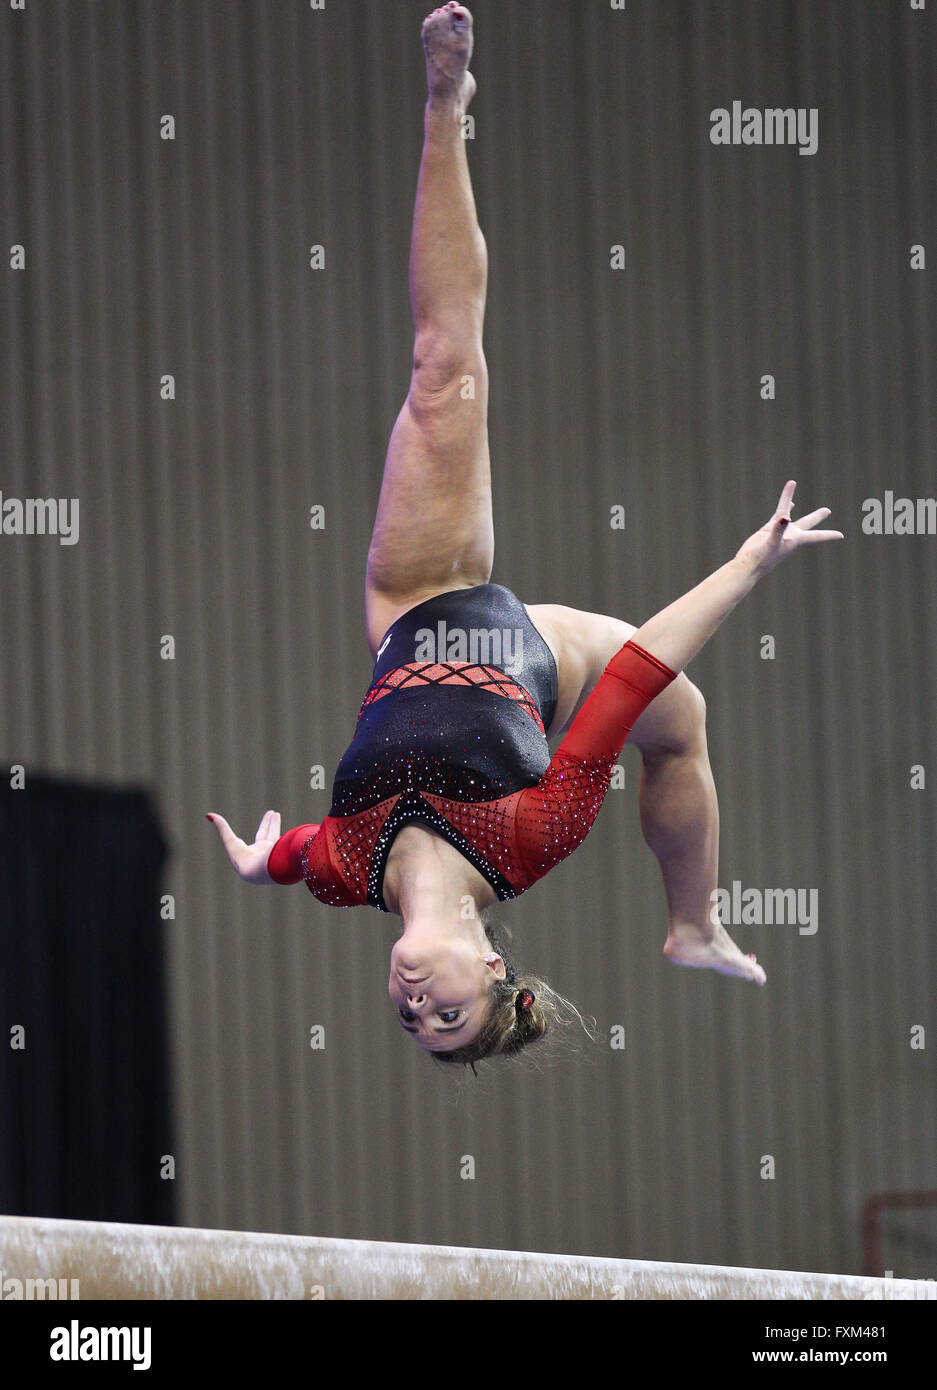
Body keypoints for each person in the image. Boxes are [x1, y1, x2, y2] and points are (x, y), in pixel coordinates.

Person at [207, 5, 842, 1069]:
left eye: (411, 1023)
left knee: (442, 368)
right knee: (677, 716)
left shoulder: (346, 871)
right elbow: (633, 674)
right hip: (544, 653)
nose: (418, 1005)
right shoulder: (527, 841)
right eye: (449, 1013)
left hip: (412, 605)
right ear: (493, 967)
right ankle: (691, 921)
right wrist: (747, 563)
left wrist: (258, 861)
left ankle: (440, 102)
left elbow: (297, 855)